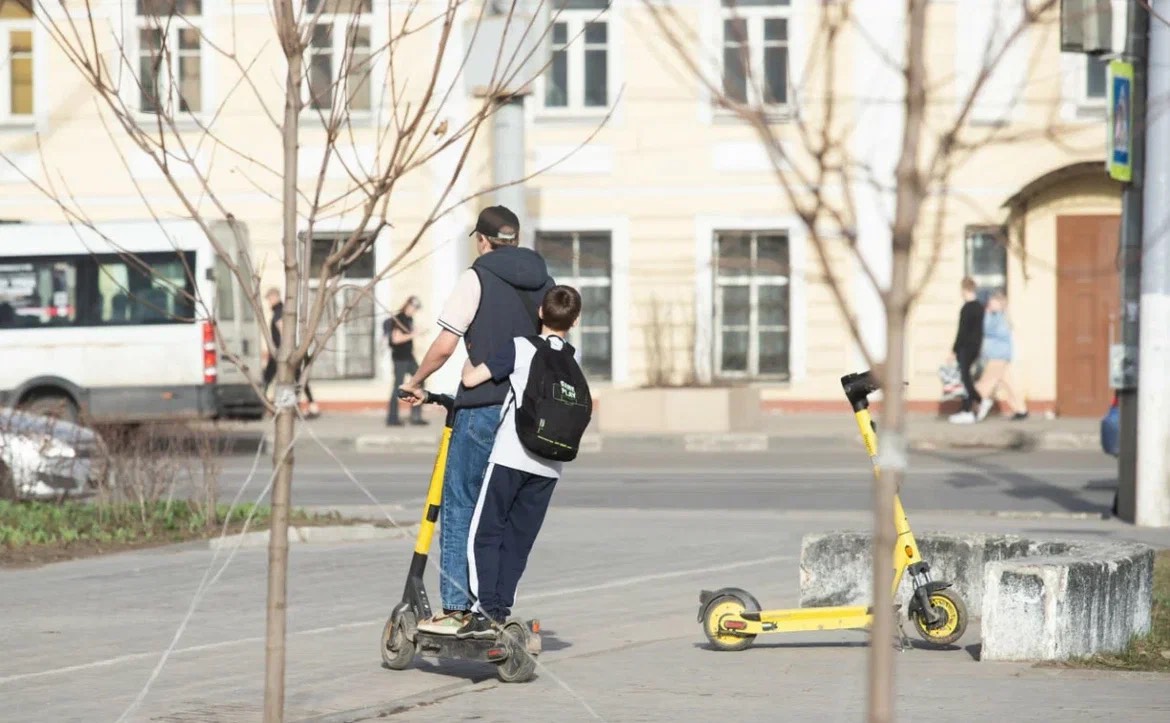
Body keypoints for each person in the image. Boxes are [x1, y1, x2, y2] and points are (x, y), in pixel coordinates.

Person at [400, 205, 554, 635]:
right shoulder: (546, 281)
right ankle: (494, 608)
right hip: (528, 413)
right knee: (501, 512)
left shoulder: (477, 277)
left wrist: (416, 380)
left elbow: (446, 345)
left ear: (483, 240)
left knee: (460, 501)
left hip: (483, 405)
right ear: (516, 239)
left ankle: (455, 606)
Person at [455, 286, 583, 639]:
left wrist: (470, 355)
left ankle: (486, 609)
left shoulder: (521, 348)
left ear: (541, 311)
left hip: (512, 454)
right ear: (575, 321)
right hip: (549, 466)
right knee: (518, 539)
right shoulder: (572, 361)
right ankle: (503, 608)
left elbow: (471, 379)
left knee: (486, 531)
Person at [262, 288, 320, 419]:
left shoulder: (279, 312)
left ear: (275, 297)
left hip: (281, 354)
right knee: (296, 378)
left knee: (269, 379)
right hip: (285, 352)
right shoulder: (283, 311)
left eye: (269, 299)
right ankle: (307, 405)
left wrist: (285, 350)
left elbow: (283, 332)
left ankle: (270, 406)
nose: (268, 302)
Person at [975, 290, 1029, 422]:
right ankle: (1021, 409)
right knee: (1008, 383)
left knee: (985, 384)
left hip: (997, 356)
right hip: (1001, 355)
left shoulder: (998, 317)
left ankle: (973, 408)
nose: (989, 304)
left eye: (993, 302)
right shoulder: (1000, 316)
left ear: (1000, 304)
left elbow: (986, 329)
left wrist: (986, 314)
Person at [383, 296, 426, 427]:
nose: (414, 310)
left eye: (416, 308)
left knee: (419, 380)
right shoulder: (399, 318)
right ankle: (392, 418)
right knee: (398, 386)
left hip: (409, 356)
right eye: (413, 307)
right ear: (408, 305)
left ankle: (416, 416)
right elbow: (396, 339)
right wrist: (414, 334)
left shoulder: (408, 319)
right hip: (400, 358)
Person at [948, 277, 984, 424]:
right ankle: (967, 407)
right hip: (975, 347)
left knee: (965, 378)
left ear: (965, 289)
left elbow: (962, 331)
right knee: (966, 377)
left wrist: (954, 349)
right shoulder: (980, 307)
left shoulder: (967, 308)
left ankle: (974, 401)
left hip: (965, 347)